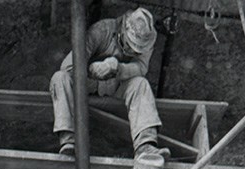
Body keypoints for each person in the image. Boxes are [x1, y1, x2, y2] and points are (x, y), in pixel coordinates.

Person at [50, 7, 165, 158]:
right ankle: (68, 141)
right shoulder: (101, 30)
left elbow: (141, 67)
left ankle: (145, 146)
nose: (133, 52)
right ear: (124, 29)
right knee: (59, 78)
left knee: (140, 84)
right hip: (87, 83)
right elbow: (67, 66)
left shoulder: (148, 38)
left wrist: (118, 68)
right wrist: (92, 69)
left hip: (116, 85)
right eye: (130, 46)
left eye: (137, 50)